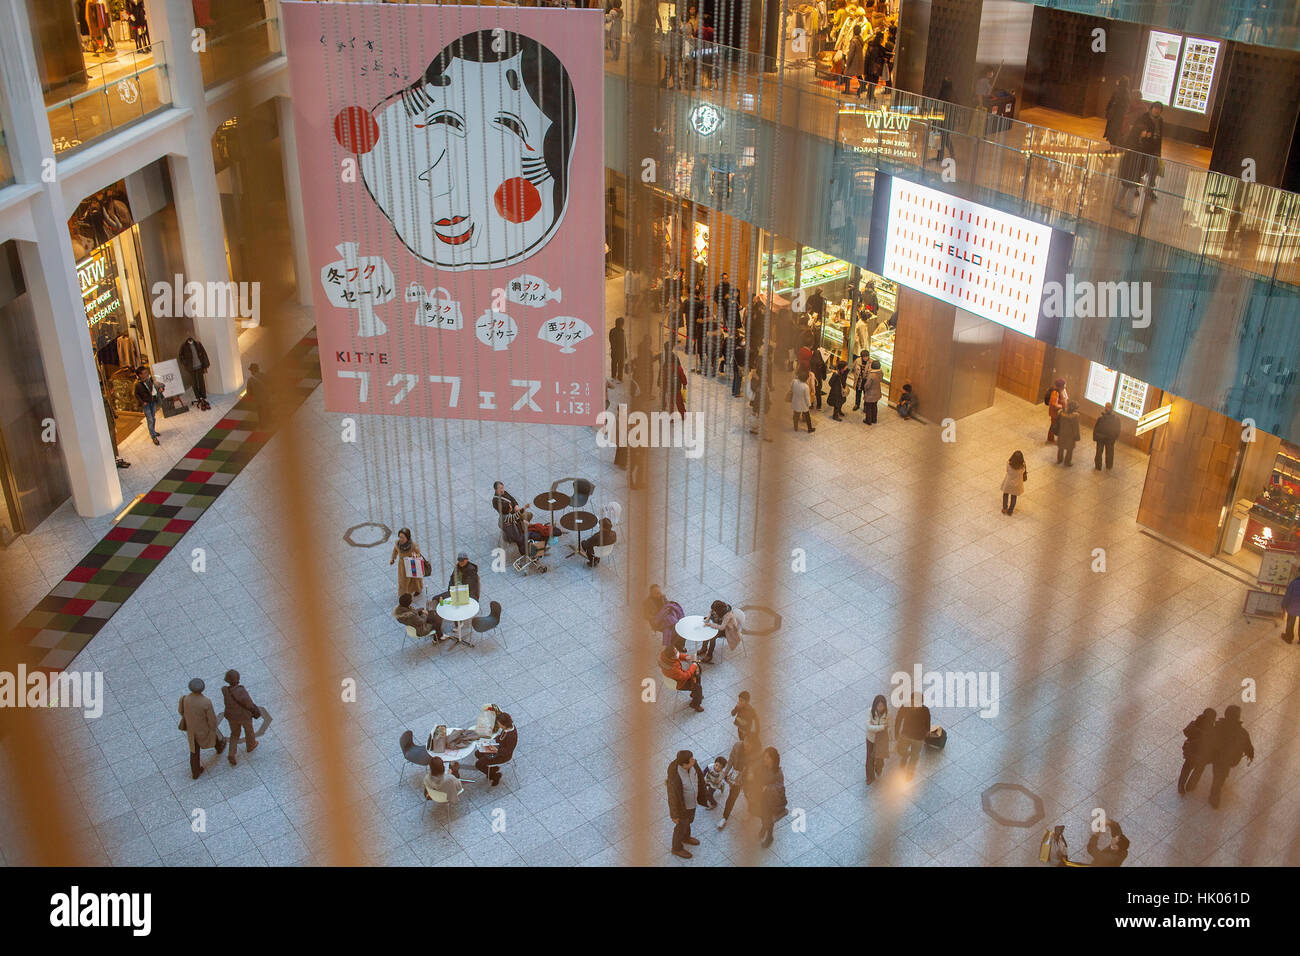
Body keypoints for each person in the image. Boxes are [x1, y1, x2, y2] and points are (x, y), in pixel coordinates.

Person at [1115, 101, 1163, 218]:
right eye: (1155, 108)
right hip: (1136, 157)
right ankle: (1129, 210)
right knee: (1131, 184)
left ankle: (1117, 203)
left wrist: (1157, 153)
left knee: (1128, 183)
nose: (1156, 110)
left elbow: (1159, 139)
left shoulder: (1159, 121)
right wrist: (1143, 135)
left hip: (1143, 156)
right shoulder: (1143, 121)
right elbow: (1135, 135)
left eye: (1158, 109)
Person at [1207, 705, 1253, 809]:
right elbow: (1248, 745)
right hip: (1229, 759)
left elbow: (1210, 738)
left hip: (1217, 757)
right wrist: (1250, 754)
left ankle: (1215, 793)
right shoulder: (1241, 732)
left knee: (1218, 774)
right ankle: (1214, 795)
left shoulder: (1218, 726)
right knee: (1220, 776)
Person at [178, 677, 225, 779]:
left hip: (191, 729)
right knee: (213, 736)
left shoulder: (184, 698)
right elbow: (211, 718)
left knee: (194, 751)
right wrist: (213, 727)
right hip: (203, 728)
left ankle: (195, 772)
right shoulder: (206, 702)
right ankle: (219, 748)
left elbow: (181, 711)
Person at [666, 750, 706, 858]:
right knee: (681, 826)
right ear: (684, 765)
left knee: (688, 822)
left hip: (692, 804)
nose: (694, 760)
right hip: (682, 808)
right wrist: (674, 815)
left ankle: (686, 837)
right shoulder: (675, 777)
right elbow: (672, 798)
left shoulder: (693, 765)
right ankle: (676, 848)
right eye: (691, 760)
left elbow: (700, 778)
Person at [717, 734, 759, 830]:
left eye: (749, 745)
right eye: (745, 742)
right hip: (736, 776)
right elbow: (731, 760)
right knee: (732, 797)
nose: (746, 746)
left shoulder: (755, 754)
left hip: (748, 779)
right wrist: (725, 773)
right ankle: (724, 818)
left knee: (749, 795)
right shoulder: (737, 746)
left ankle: (752, 811)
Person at [221, 669, 260, 767]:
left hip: (231, 717)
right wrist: (254, 711)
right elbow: (249, 704)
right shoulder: (241, 690)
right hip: (244, 716)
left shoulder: (225, 690)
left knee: (234, 734)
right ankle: (251, 745)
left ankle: (231, 753)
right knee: (249, 730)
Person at [1177, 707, 1217, 794]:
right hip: (1202, 754)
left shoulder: (1195, 724)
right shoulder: (1212, 730)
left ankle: (1181, 786)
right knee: (1198, 769)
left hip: (1191, 751)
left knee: (1186, 768)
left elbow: (1186, 732)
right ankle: (1191, 786)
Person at [754, 747, 787, 848]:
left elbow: (780, 786)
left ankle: (769, 836)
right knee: (762, 815)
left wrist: (767, 788)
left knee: (769, 818)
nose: (765, 759)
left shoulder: (778, 772)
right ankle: (764, 827)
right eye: (765, 757)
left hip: (772, 800)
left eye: (768, 757)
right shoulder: (762, 767)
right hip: (762, 798)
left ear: (773, 759)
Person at [894, 691, 930, 779]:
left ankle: (910, 773)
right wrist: (896, 732)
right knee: (900, 750)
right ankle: (905, 755)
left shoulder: (925, 710)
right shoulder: (905, 707)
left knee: (914, 756)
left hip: (918, 738)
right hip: (906, 735)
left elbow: (927, 721)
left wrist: (927, 731)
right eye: (913, 701)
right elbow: (898, 719)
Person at [474, 712, 517, 786]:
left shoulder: (511, 737)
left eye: (499, 724)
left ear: (504, 724)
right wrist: (491, 741)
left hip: (503, 755)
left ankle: (495, 776)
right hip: (498, 747)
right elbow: (501, 737)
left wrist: (496, 750)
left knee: (479, 764)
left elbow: (508, 751)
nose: (498, 725)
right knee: (477, 753)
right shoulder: (508, 728)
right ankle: (492, 769)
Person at [659, 644, 704, 711]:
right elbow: (685, 676)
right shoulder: (672, 669)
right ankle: (695, 704)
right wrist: (694, 665)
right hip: (678, 683)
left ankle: (695, 694)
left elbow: (678, 656)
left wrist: (686, 657)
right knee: (698, 687)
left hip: (675, 678)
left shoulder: (665, 656)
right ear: (672, 657)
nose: (677, 653)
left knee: (696, 676)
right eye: (675, 654)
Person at [390, 528, 424, 599]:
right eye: (400, 537)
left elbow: (418, 554)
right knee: (403, 580)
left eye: (403, 537)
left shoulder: (413, 545)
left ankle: (418, 589)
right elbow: (395, 550)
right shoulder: (397, 543)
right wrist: (393, 558)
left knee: (414, 579)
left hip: (411, 564)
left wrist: (415, 555)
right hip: (402, 565)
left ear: (407, 537)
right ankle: (404, 594)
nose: (401, 539)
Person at [101, 382, 129, 469]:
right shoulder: (101, 399)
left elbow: (109, 409)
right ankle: (115, 461)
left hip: (110, 425)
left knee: (113, 443)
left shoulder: (104, 398)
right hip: (107, 426)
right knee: (111, 443)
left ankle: (117, 459)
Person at [178, 335, 211, 408]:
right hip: (191, 368)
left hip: (199, 366)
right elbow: (180, 356)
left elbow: (204, 354)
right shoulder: (184, 346)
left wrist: (205, 365)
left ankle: (203, 397)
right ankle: (198, 397)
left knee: (201, 382)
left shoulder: (198, 344)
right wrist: (186, 364)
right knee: (194, 383)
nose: (189, 337)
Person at [133, 365, 162, 445]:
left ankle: (153, 431)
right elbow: (136, 395)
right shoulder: (138, 384)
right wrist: (142, 402)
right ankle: (153, 437)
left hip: (152, 401)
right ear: (140, 375)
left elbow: (154, 389)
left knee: (153, 418)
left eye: (146, 372)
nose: (146, 374)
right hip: (146, 404)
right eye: (144, 373)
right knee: (150, 420)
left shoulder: (150, 380)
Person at [865, 694, 889, 783]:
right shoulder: (870, 712)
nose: (880, 708)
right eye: (879, 706)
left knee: (880, 758)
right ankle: (870, 777)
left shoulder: (888, 713)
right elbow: (869, 727)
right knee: (869, 759)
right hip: (871, 739)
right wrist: (882, 727)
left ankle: (879, 768)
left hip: (882, 740)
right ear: (875, 705)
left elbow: (890, 726)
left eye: (882, 706)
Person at [1103, 76, 1130, 151]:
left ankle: (1112, 149)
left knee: (1112, 134)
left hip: (1114, 117)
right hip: (1119, 117)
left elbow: (1111, 103)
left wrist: (1108, 111)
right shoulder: (1127, 93)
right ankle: (1113, 149)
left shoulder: (1118, 91)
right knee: (1116, 134)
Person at [1092, 401, 1122, 470]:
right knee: (1109, 453)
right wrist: (1114, 438)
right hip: (1110, 439)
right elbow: (1117, 430)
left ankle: (1098, 466)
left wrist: (1096, 437)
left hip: (1100, 438)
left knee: (1099, 452)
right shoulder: (1116, 419)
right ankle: (1109, 465)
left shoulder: (1101, 418)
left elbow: (1096, 428)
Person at [1056, 400, 1082, 466]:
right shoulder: (1075, 417)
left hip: (1062, 433)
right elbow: (1076, 428)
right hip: (1070, 435)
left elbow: (1058, 423)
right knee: (1070, 449)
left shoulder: (1061, 413)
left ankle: (1059, 459)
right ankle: (1067, 462)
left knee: (1061, 448)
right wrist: (1077, 437)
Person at [245, 362, 272, 427]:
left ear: (253, 370)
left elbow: (249, 392)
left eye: (251, 370)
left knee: (260, 412)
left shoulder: (250, 380)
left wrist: (253, 396)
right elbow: (270, 384)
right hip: (266, 396)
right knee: (267, 408)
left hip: (258, 399)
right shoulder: (264, 375)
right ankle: (270, 421)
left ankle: (263, 425)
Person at [863, 30, 886, 102]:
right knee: (873, 82)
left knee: (870, 83)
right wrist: (883, 59)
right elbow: (877, 58)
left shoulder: (870, 45)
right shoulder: (878, 48)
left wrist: (865, 69)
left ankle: (869, 95)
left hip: (869, 67)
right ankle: (870, 96)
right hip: (875, 68)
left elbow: (867, 58)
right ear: (880, 39)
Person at [1001, 450, 1027, 515]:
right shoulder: (1022, 466)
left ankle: (1004, 508)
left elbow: (1007, 470)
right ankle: (1010, 510)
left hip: (1008, 483)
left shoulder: (1009, 464)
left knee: (1005, 494)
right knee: (1014, 497)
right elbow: (1023, 472)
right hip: (1017, 484)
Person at [841, 25, 863, 94]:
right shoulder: (860, 40)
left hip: (854, 61)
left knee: (848, 75)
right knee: (858, 75)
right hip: (859, 60)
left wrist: (848, 61)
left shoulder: (854, 41)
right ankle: (863, 86)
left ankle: (847, 90)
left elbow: (851, 52)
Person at [860, 359, 883, 425]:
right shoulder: (880, 373)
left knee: (868, 407)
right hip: (877, 392)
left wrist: (865, 387)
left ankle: (868, 420)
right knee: (874, 406)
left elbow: (867, 385)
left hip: (870, 394)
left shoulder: (871, 375)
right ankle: (874, 419)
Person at [1045, 378, 1066, 443]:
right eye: (1064, 384)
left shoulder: (1060, 391)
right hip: (1054, 413)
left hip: (1056, 413)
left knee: (1054, 425)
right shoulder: (1055, 393)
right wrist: (1062, 406)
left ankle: (1051, 438)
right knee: (1053, 425)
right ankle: (1050, 438)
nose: (1065, 386)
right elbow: (1054, 405)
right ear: (1061, 385)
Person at [1282, 571, 1300, 644]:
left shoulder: (1294, 583)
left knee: (1290, 622)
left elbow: (1288, 596)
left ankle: (1288, 637)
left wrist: (1283, 605)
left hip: (1293, 606)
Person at [609, 315, 626, 381]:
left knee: (614, 363)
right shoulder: (621, 332)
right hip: (619, 352)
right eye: (622, 324)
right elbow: (623, 343)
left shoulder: (612, 331)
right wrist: (625, 352)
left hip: (614, 351)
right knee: (620, 365)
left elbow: (610, 339)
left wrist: (613, 348)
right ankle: (619, 376)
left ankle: (613, 375)